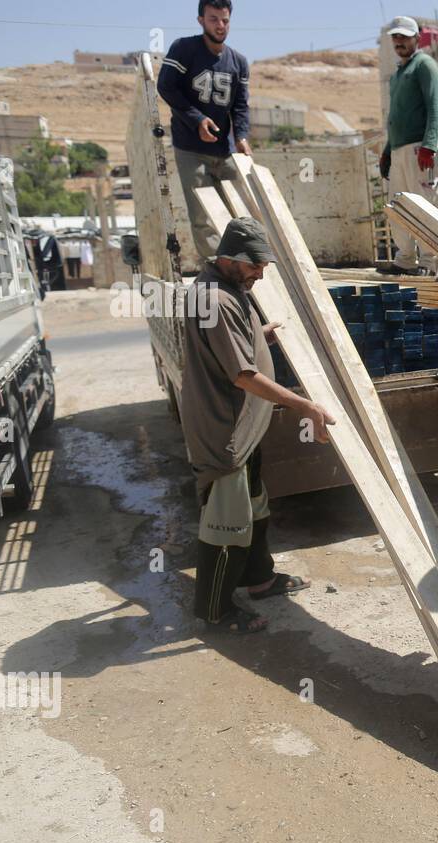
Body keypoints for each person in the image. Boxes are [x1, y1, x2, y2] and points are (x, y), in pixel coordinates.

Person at [181, 217, 336, 633]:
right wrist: (305, 405)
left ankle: (259, 580)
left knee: (254, 507)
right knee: (226, 521)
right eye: (254, 265)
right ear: (229, 259)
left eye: (263, 265)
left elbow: (231, 346)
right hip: (223, 433)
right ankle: (214, 610)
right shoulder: (215, 299)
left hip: (243, 429)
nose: (260, 273)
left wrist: (259, 334)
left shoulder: (231, 288)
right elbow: (241, 376)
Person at [158, 0, 252, 262]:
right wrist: (197, 119)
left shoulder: (239, 62)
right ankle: (217, 269)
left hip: (225, 150)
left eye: (225, 20)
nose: (220, 26)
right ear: (200, 20)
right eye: (213, 19)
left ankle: (243, 266)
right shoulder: (184, 48)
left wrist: (242, 137)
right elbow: (166, 87)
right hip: (191, 149)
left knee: (240, 210)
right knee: (203, 214)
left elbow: (241, 105)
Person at [378, 15, 438, 275]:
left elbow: (435, 106)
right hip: (399, 150)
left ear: (417, 38)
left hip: (419, 148)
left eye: (404, 36)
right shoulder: (397, 74)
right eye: (395, 37)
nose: (399, 41)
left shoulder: (425, 66)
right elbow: (396, 116)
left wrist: (429, 144)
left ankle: (429, 262)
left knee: (425, 205)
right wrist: (387, 152)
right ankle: (405, 259)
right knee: (399, 206)